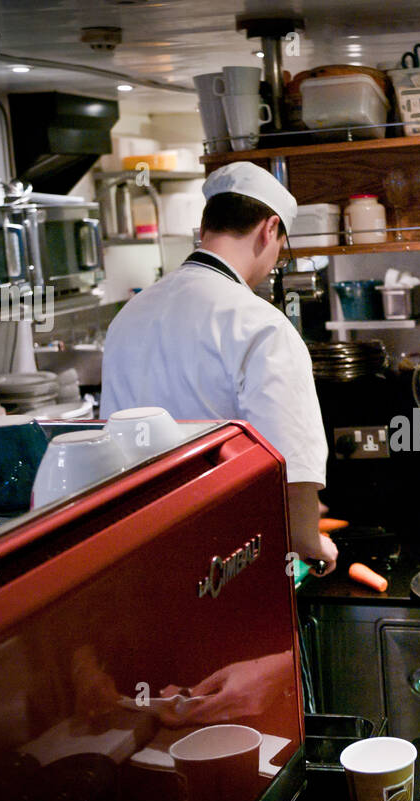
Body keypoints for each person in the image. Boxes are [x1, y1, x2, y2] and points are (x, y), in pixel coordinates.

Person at [101, 162, 337, 572]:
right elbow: (291, 468)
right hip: (226, 562)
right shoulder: (262, 326)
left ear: (207, 225)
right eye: (282, 246)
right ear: (270, 229)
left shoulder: (128, 316)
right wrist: (313, 543)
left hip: (138, 552)